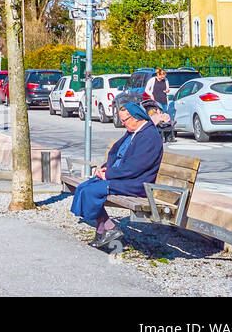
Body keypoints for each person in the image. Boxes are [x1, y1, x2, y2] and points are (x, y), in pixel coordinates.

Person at [71, 94, 165, 249]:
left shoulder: (149, 136)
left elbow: (135, 167)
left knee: (92, 191)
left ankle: (110, 228)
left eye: (125, 120)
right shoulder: (133, 132)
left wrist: (108, 174)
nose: (122, 123)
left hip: (137, 183)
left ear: (136, 117)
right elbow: (117, 154)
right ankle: (103, 231)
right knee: (83, 187)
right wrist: (105, 168)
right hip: (123, 178)